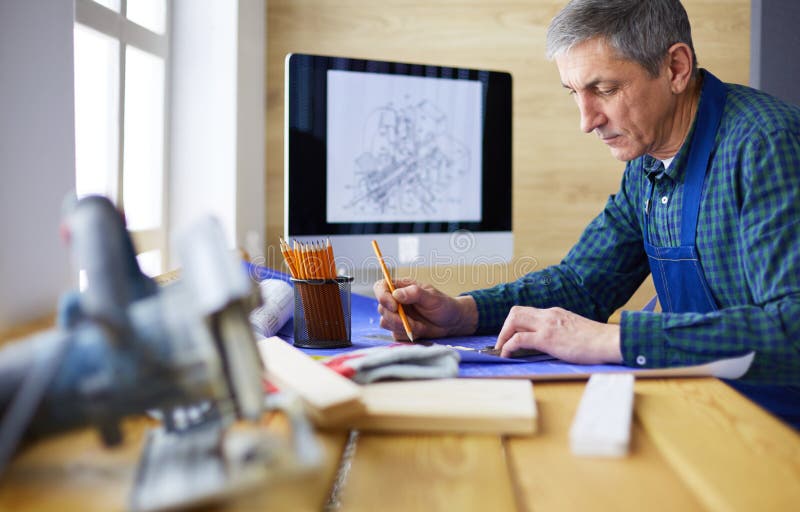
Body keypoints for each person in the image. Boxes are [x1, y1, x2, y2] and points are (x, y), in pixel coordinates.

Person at [373, 0, 800, 429]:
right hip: (711, 411)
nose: (586, 120)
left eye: (606, 89)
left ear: (675, 68)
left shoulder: (767, 146)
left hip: (779, 431)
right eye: (574, 93)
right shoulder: (646, 164)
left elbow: (792, 329)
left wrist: (611, 338)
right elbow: (583, 284)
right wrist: (464, 314)